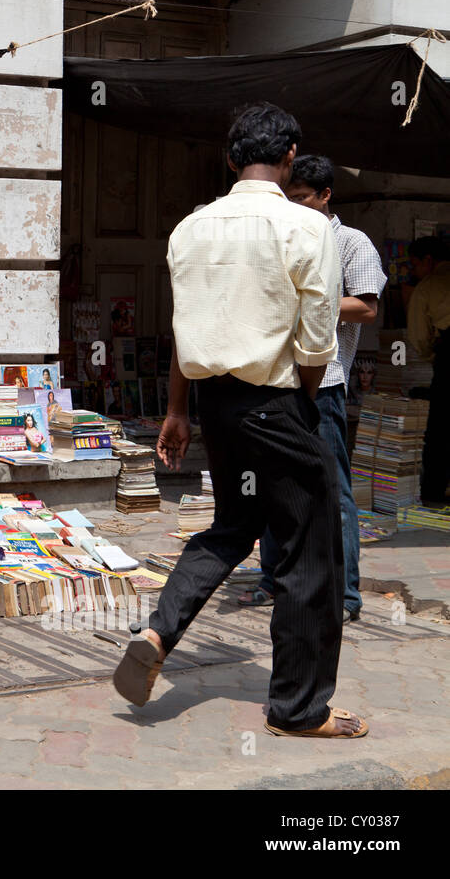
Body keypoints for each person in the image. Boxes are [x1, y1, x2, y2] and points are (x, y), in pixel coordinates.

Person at [114, 102, 367, 739]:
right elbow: (316, 341)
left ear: (230, 160)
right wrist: (304, 404)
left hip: (216, 404)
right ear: (288, 160)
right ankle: (299, 709)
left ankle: (158, 629)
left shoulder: (190, 229)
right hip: (279, 402)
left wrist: (177, 410)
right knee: (310, 553)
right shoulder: (309, 227)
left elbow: (182, 331)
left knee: (232, 525)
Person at [239, 155, 386, 622]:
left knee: (333, 490)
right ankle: (273, 578)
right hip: (276, 379)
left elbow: (365, 308)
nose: (294, 204)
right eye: (289, 196)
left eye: (302, 197)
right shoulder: (285, 235)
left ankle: (344, 595)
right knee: (270, 484)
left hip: (324, 384)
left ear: (326, 196)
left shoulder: (351, 243)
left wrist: (307, 304)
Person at [406, 234, 450, 505]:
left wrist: (435, 354)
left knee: (441, 431)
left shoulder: (428, 286)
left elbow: (419, 337)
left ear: (428, 261)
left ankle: (433, 495)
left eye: (414, 265)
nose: (414, 271)